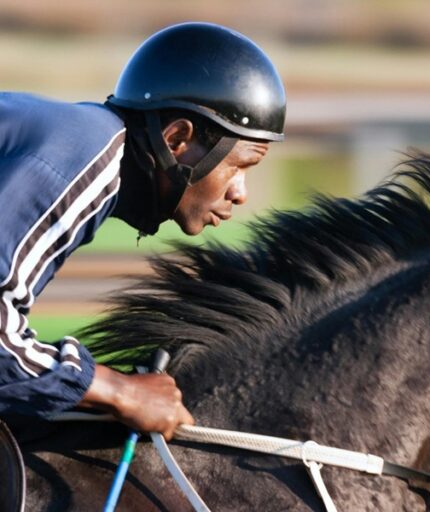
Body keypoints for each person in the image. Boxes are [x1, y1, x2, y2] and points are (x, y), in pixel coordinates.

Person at [0, 22, 286, 441]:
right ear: (177, 140)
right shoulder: (84, 157)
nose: (240, 193)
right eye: (239, 166)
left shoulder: (83, 141)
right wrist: (121, 392)